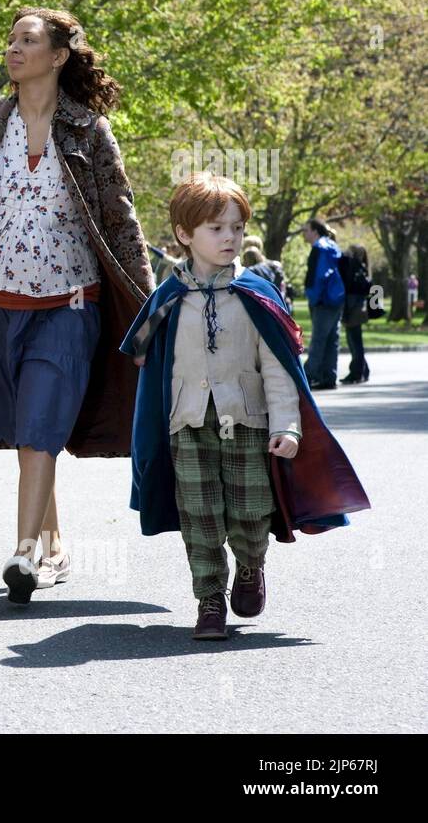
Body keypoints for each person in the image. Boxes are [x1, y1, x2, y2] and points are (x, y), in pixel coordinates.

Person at [0, 6, 155, 604]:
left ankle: (21, 556)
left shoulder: (89, 130)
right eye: (11, 40)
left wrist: (147, 311)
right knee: (26, 432)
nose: (13, 49)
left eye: (27, 41)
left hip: (70, 302)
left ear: (58, 56)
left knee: (41, 422)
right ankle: (55, 542)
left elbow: (121, 222)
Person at [121, 172, 370, 639]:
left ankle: (251, 566)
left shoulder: (256, 294)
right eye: (216, 228)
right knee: (200, 514)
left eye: (236, 227)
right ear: (184, 235)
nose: (230, 237)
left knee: (250, 510)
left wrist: (289, 427)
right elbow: (144, 358)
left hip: (250, 423)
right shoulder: (169, 298)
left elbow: (278, 369)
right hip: (186, 422)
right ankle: (209, 600)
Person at [302, 216, 344, 391]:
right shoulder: (333, 246)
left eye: (306, 230)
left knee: (319, 339)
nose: (304, 234)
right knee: (332, 338)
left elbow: (319, 276)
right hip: (337, 297)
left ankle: (308, 376)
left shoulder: (319, 248)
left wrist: (313, 297)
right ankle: (329, 376)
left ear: (314, 231)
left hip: (323, 299)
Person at [339, 243, 372, 384]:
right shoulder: (362, 267)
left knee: (354, 341)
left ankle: (356, 372)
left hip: (352, 307)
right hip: (358, 306)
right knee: (355, 340)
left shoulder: (352, 265)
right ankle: (363, 370)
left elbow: (346, 280)